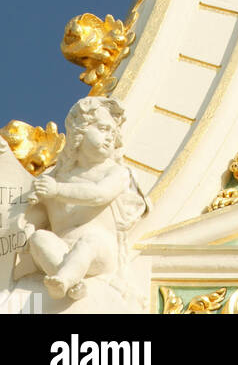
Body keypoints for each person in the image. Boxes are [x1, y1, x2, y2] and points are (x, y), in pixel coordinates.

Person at [16, 96, 146, 303]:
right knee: (39, 239)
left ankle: (64, 279)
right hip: (62, 250)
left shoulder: (116, 172)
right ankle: (71, 282)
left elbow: (99, 194)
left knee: (90, 241)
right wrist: (27, 224)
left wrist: (57, 190)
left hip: (100, 252)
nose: (110, 137)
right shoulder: (53, 177)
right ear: (80, 130)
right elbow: (30, 217)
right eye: (103, 129)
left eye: (113, 132)